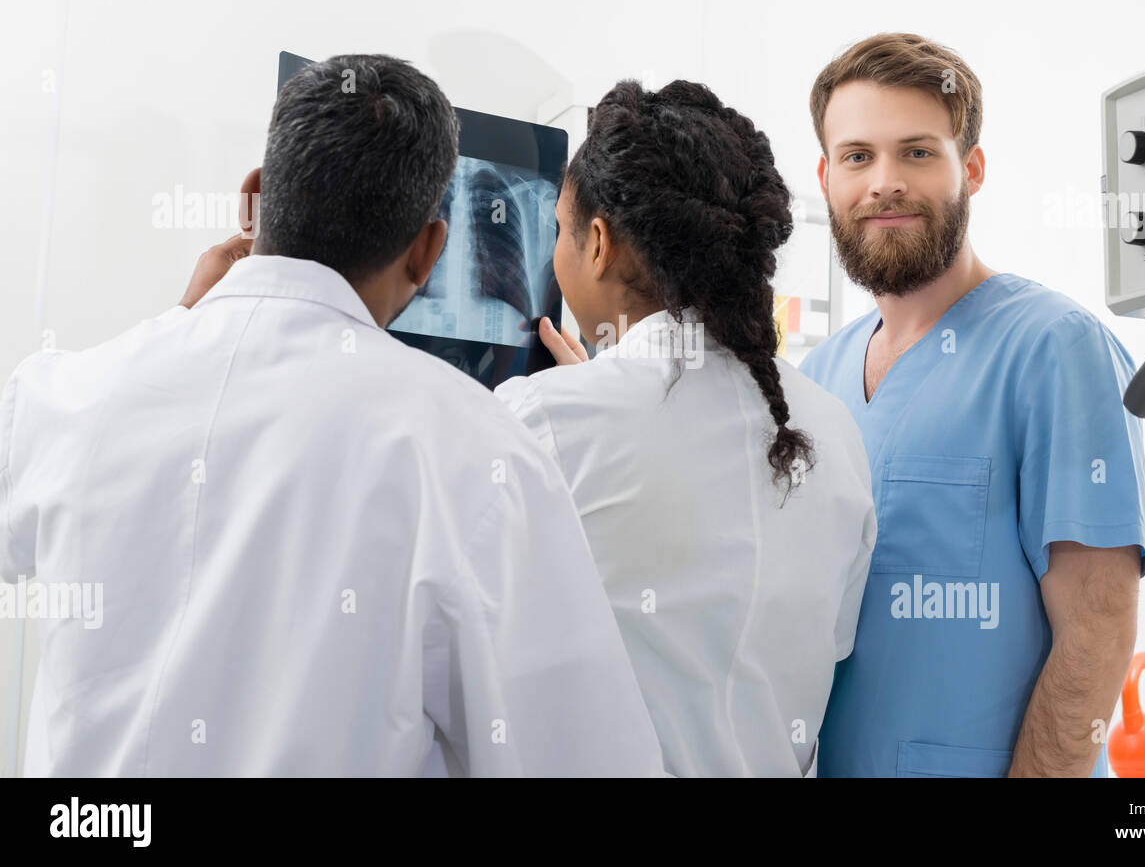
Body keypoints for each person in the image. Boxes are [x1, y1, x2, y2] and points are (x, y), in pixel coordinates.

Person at [0, 55, 664, 777]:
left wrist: (176, 333)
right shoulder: (479, 454)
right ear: (429, 249)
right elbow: (590, 758)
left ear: (253, 198)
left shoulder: (63, 396)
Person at [494, 79, 877, 777]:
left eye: (558, 230)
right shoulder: (835, 432)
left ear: (600, 243)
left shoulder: (544, 422)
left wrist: (573, 401)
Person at [799, 33, 1145, 777]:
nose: (883, 182)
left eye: (918, 152)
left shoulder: (1058, 350)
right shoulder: (817, 375)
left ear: (973, 169)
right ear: (827, 177)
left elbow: (1098, 632)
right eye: (858, 156)